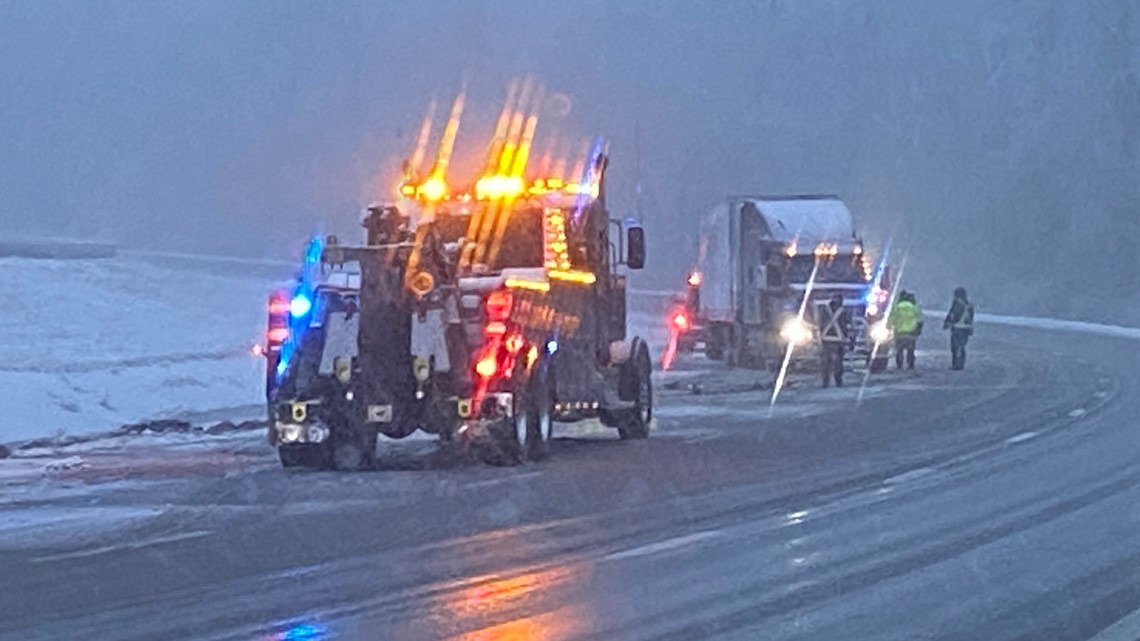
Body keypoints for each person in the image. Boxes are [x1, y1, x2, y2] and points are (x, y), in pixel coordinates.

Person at [816, 293, 852, 388]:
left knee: (827, 362)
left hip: (826, 339)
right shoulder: (844, 311)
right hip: (839, 340)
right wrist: (849, 338)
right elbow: (848, 325)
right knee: (838, 362)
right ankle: (837, 381)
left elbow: (819, 323)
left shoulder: (824, 310)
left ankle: (826, 382)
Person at [889, 291, 923, 370]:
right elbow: (919, 320)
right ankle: (910, 364)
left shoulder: (896, 307)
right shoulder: (914, 307)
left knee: (899, 349)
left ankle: (899, 364)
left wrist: (889, 327)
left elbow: (891, 318)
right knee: (910, 349)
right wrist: (918, 330)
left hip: (899, 332)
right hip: (911, 332)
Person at [943, 287, 975, 370]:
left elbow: (954, 315)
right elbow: (971, 317)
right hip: (967, 328)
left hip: (958, 327)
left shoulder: (958, 303)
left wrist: (948, 323)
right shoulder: (969, 304)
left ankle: (956, 364)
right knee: (962, 346)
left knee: (955, 347)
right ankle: (961, 363)